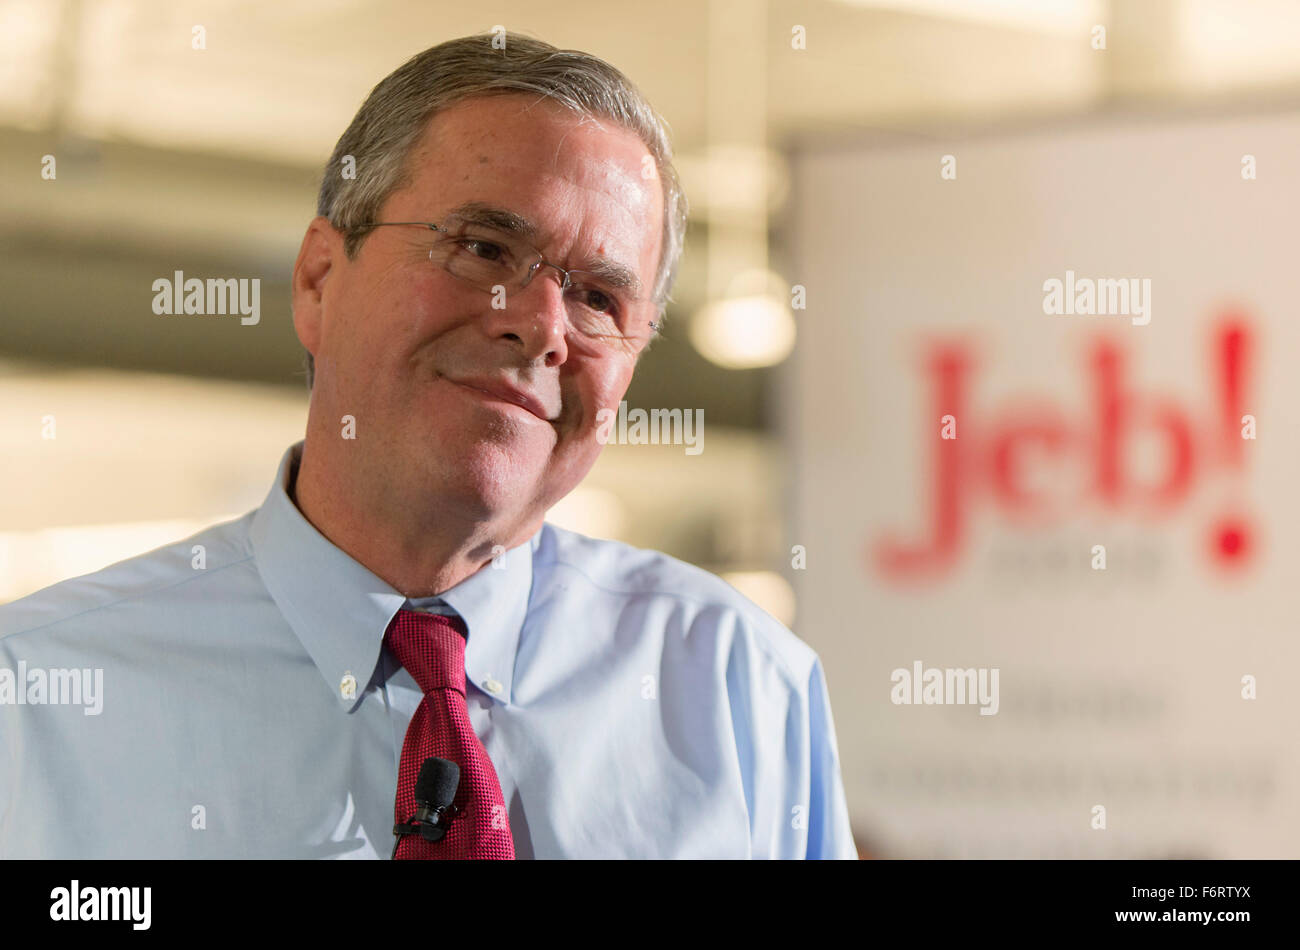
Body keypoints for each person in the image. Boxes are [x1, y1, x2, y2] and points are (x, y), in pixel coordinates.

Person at [0, 33, 856, 859]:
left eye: (599, 297)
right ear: (319, 280)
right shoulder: (37, 700)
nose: (542, 326)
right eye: (485, 247)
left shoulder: (740, 688)